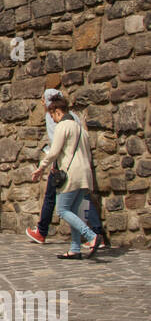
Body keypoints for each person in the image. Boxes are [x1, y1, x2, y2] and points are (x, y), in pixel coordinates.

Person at [27, 88, 106, 247]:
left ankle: (92, 236)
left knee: (62, 210)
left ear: (56, 111)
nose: (52, 119)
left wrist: (41, 167)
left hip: (71, 173)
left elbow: (55, 151)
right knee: (76, 210)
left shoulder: (62, 125)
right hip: (85, 173)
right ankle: (75, 248)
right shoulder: (80, 128)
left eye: (52, 115)